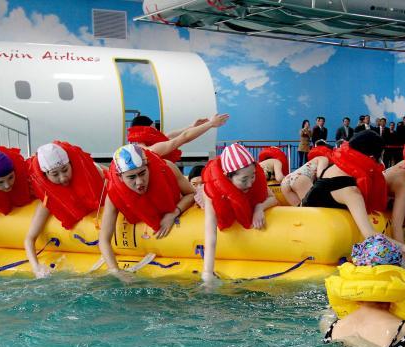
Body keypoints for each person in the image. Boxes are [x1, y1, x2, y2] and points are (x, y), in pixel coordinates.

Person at [300, 130, 405, 262]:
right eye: (380, 158)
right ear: (371, 158)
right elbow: (370, 235)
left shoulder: (334, 168)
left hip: (304, 215)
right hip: (311, 236)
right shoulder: (351, 192)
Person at [99, 144, 196, 277]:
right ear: (120, 177)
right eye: (131, 177)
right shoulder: (114, 194)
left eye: (142, 173)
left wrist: (173, 213)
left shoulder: (167, 168)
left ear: (148, 167)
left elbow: (192, 194)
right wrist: (116, 271)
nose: (139, 182)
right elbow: (103, 240)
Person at [24, 142, 107, 278]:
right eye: (55, 174)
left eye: (65, 170)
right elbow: (29, 239)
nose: (62, 177)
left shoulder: (94, 173)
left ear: (71, 164)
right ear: (45, 176)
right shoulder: (48, 199)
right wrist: (36, 266)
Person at [200, 143, 279, 283]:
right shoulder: (212, 191)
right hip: (207, 200)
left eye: (253, 176)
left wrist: (259, 207)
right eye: (244, 180)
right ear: (227, 177)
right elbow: (210, 236)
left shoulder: (254, 181)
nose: (250, 184)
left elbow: (274, 198)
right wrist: (207, 273)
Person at [127, 113, 229, 163]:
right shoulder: (151, 150)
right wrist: (210, 124)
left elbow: (170, 135)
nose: (157, 131)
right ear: (146, 130)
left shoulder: (140, 147)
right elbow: (184, 137)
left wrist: (193, 126)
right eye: (154, 128)